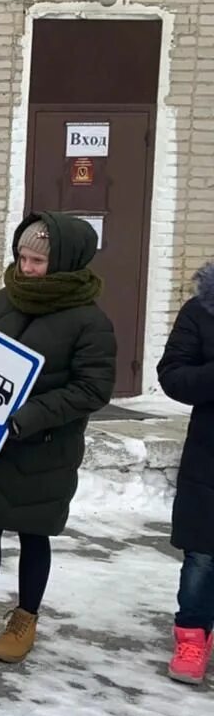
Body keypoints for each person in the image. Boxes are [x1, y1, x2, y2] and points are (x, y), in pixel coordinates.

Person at [0, 213, 115, 664]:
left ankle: (25, 619)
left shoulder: (90, 321)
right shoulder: (4, 300)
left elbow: (92, 389)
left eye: (37, 261)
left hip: (43, 448)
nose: (26, 268)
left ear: (65, 261)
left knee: (34, 534)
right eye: (22, 257)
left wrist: (30, 417)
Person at [157, 261, 214, 684]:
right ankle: (192, 636)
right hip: (209, 457)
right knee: (202, 555)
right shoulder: (201, 310)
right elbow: (173, 376)